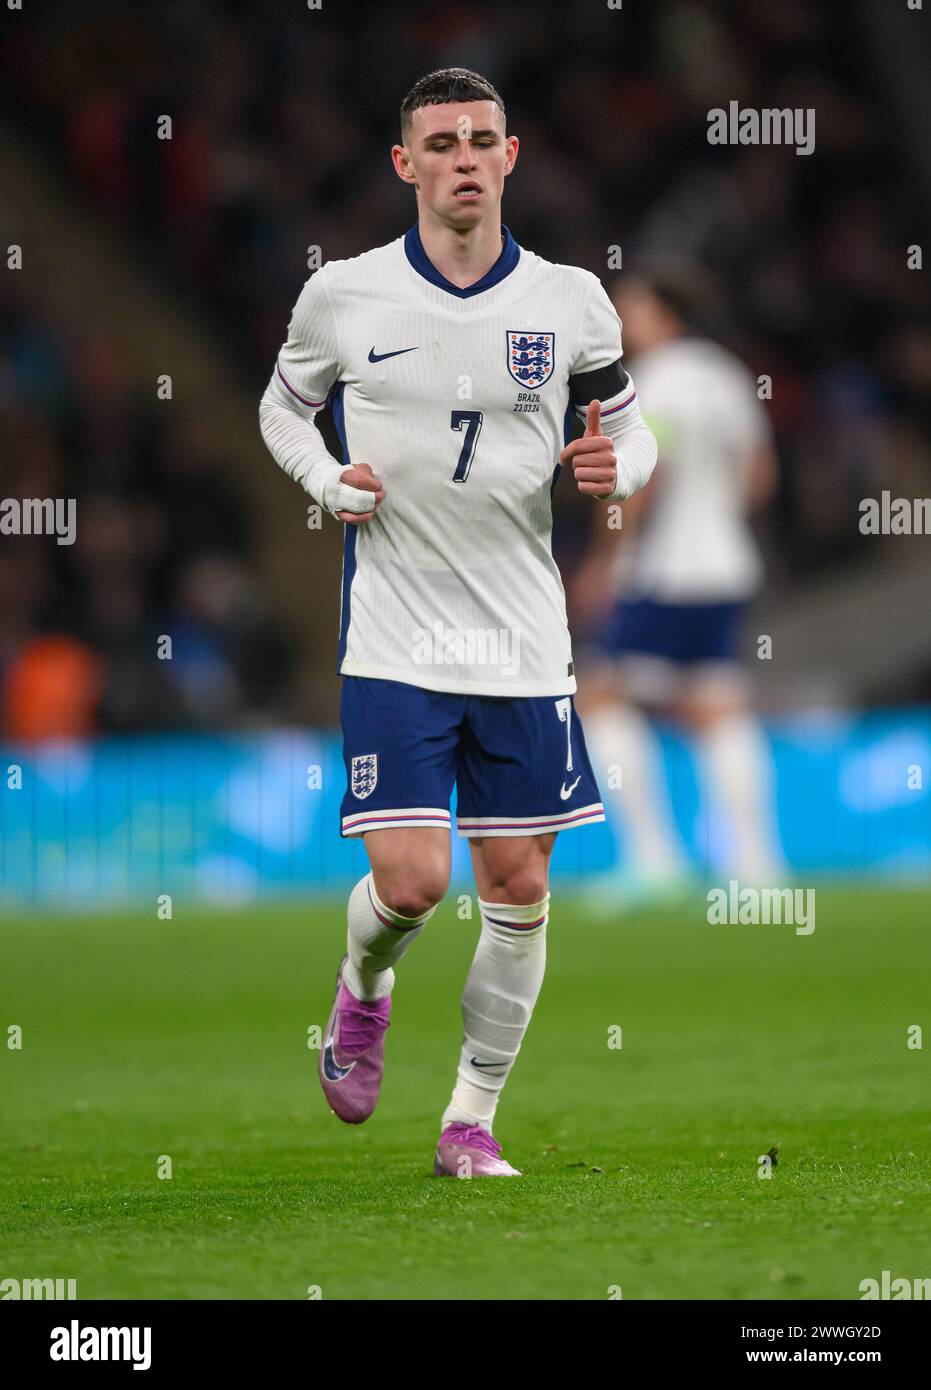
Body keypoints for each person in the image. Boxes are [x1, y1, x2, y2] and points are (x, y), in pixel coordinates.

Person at [259, 68, 656, 1177]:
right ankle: (364, 986)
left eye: (482, 139)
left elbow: (635, 430)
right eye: (441, 144)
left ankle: (468, 1121)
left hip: (524, 639)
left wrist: (614, 466)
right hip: (395, 632)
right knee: (413, 884)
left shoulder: (571, 298)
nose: (464, 158)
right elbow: (281, 409)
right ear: (406, 165)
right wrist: (326, 478)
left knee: (519, 886)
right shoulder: (343, 294)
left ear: (512, 155)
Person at [573, 270, 784, 907]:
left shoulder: (652, 382)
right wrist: (719, 521)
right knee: (714, 700)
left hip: (664, 570)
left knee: (601, 695)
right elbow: (760, 472)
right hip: (725, 564)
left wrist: (607, 559)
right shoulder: (725, 373)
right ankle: (755, 864)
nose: (622, 318)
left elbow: (644, 477)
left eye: (631, 306)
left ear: (664, 310)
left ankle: (653, 860)